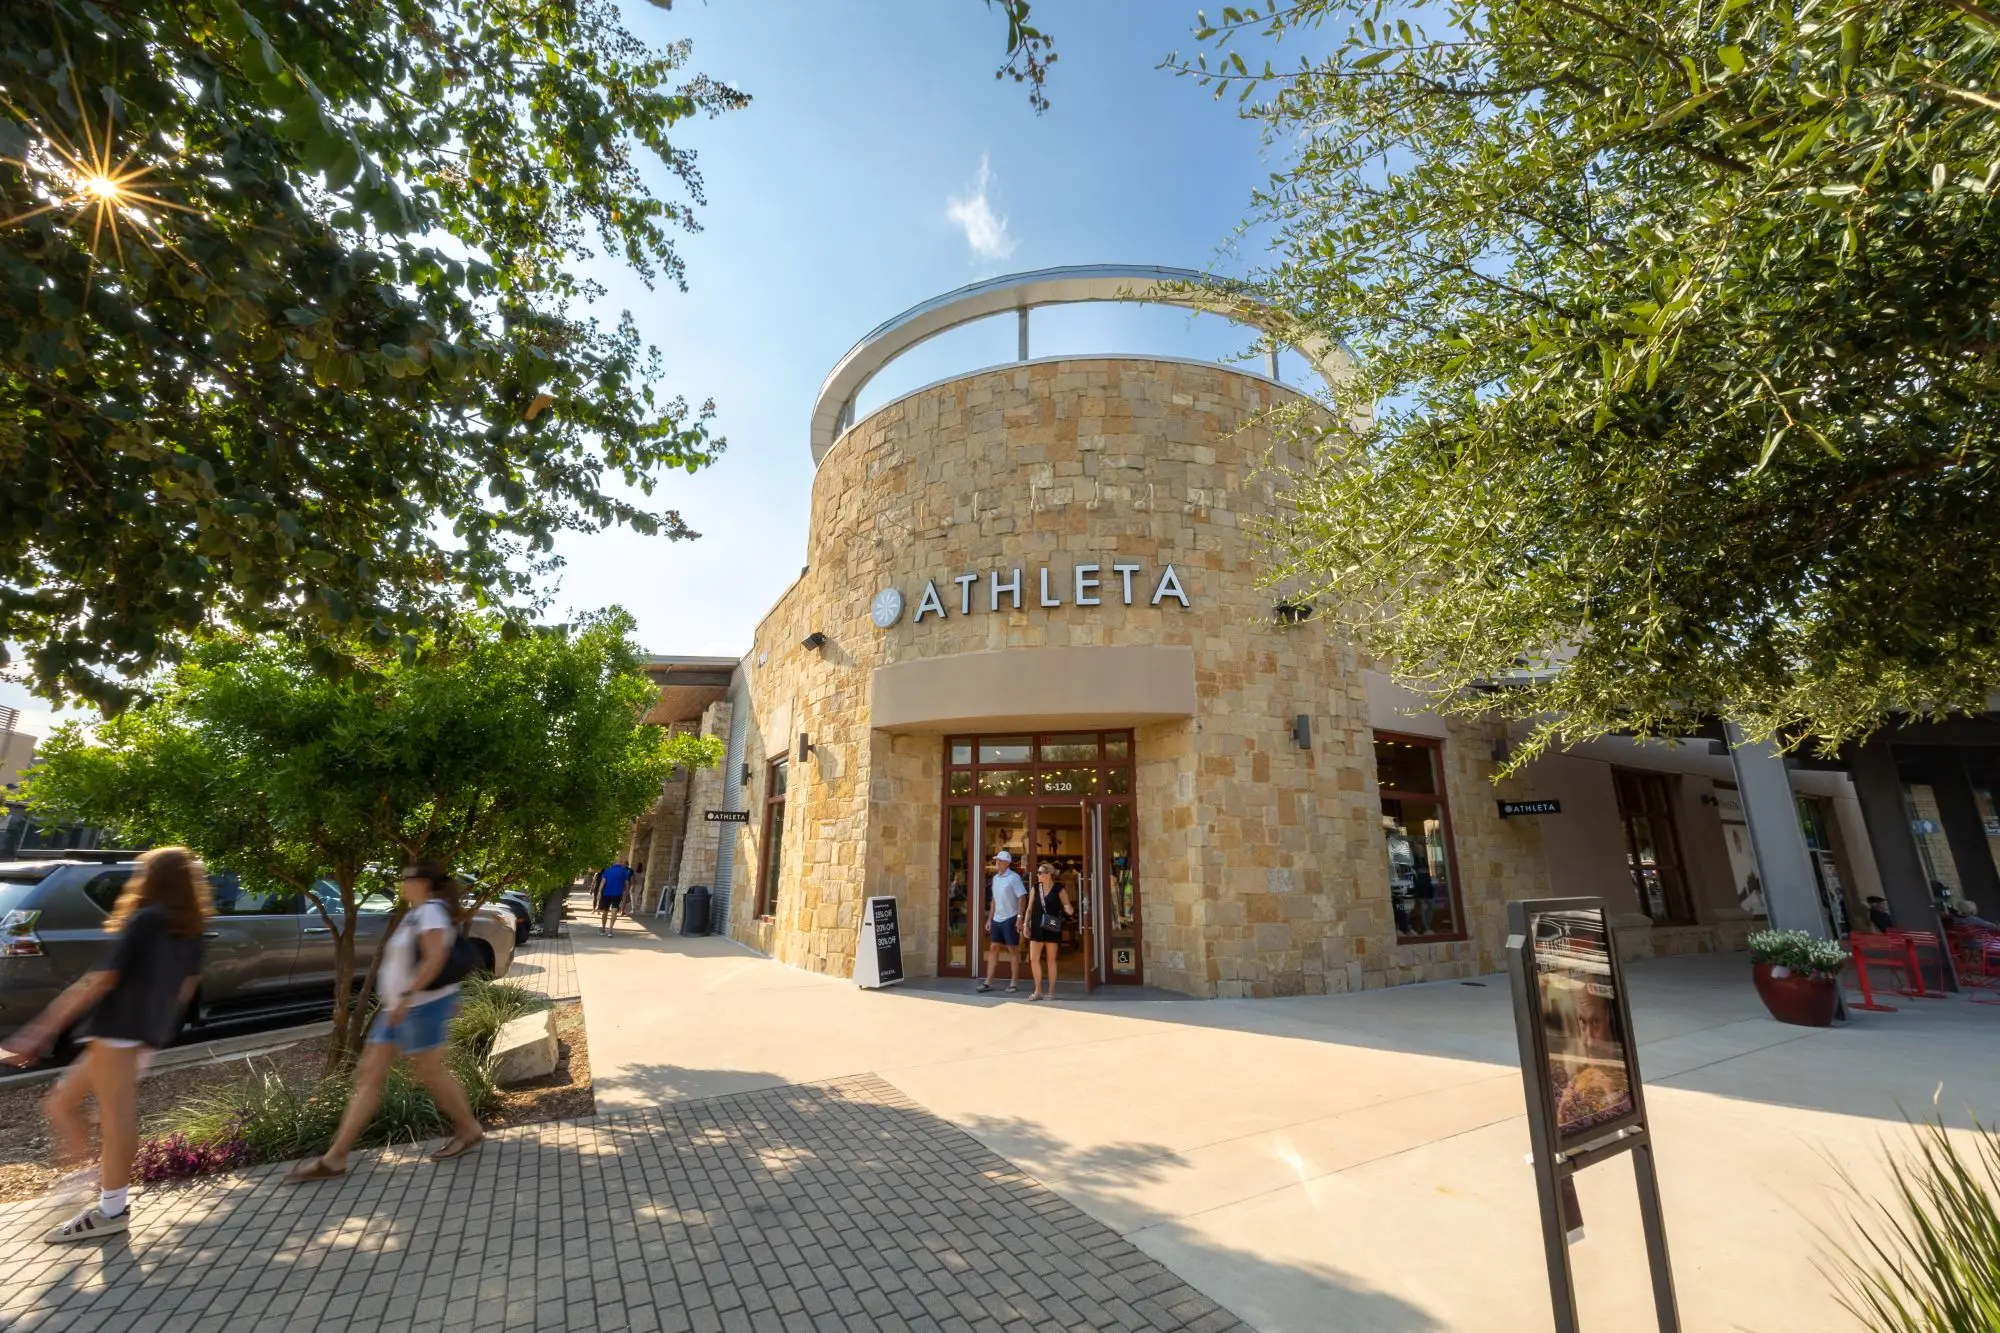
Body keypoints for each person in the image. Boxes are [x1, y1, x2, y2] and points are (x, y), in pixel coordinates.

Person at [1, 846, 209, 1243]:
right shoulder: (191, 928)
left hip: (119, 1030)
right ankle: (86, 1179)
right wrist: (154, 1028)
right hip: (134, 1032)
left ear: (150, 879)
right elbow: (185, 988)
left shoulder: (147, 919)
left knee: (116, 1119)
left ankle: (111, 1209)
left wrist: (38, 1031)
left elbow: (99, 979)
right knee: (61, 1104)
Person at [286, 862, 483, 1182]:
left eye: (406, 879)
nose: (401, 883)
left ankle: (470, 1129)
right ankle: (335, 1158)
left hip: (420, 1007)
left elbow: (436, 958)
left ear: (423, 882)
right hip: (398, 1009)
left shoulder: (431, 912)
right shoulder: (416, 914)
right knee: (370, 1075)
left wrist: (407, 995)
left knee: (429, 1072)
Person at [976, 850, 1025, 994]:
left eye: (1000, 860)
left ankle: (1013, 983)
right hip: (997, 918)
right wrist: (990, 919)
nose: (997, 863)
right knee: (993, 948)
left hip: (1010, 918)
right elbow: (994, 900)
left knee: (1013, 950)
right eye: (997, 860)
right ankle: (988, 982)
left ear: (1007, 863)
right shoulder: (995, 878)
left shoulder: (1014, 878)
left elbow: (1022, 897)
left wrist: (1019, 917)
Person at [1025, 861, 1074, 1001]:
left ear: (1048, 874)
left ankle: (1051, 991)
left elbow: (1067, 905)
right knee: (1034, 959)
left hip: (1051, 927)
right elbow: (1029, 908)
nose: (1038, 875)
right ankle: (1038, 990)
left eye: (1040, 872)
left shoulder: (1059, 889)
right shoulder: (1035, 888)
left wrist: (1068, 909)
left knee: (1051, 960)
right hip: (1036, 926)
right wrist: (1025, 924)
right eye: (1038, 872)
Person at [598, 859, 632, 934]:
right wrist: (626, 893)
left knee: (605, 911)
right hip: (617, 894)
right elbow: (627, 883)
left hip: (606, 894)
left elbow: (603, 882)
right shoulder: (624, 871)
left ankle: (603, 928)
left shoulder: (607, 870)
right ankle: (610, 931)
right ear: (620, 864)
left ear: (613, 863)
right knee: (614, 912)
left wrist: (599, 892)